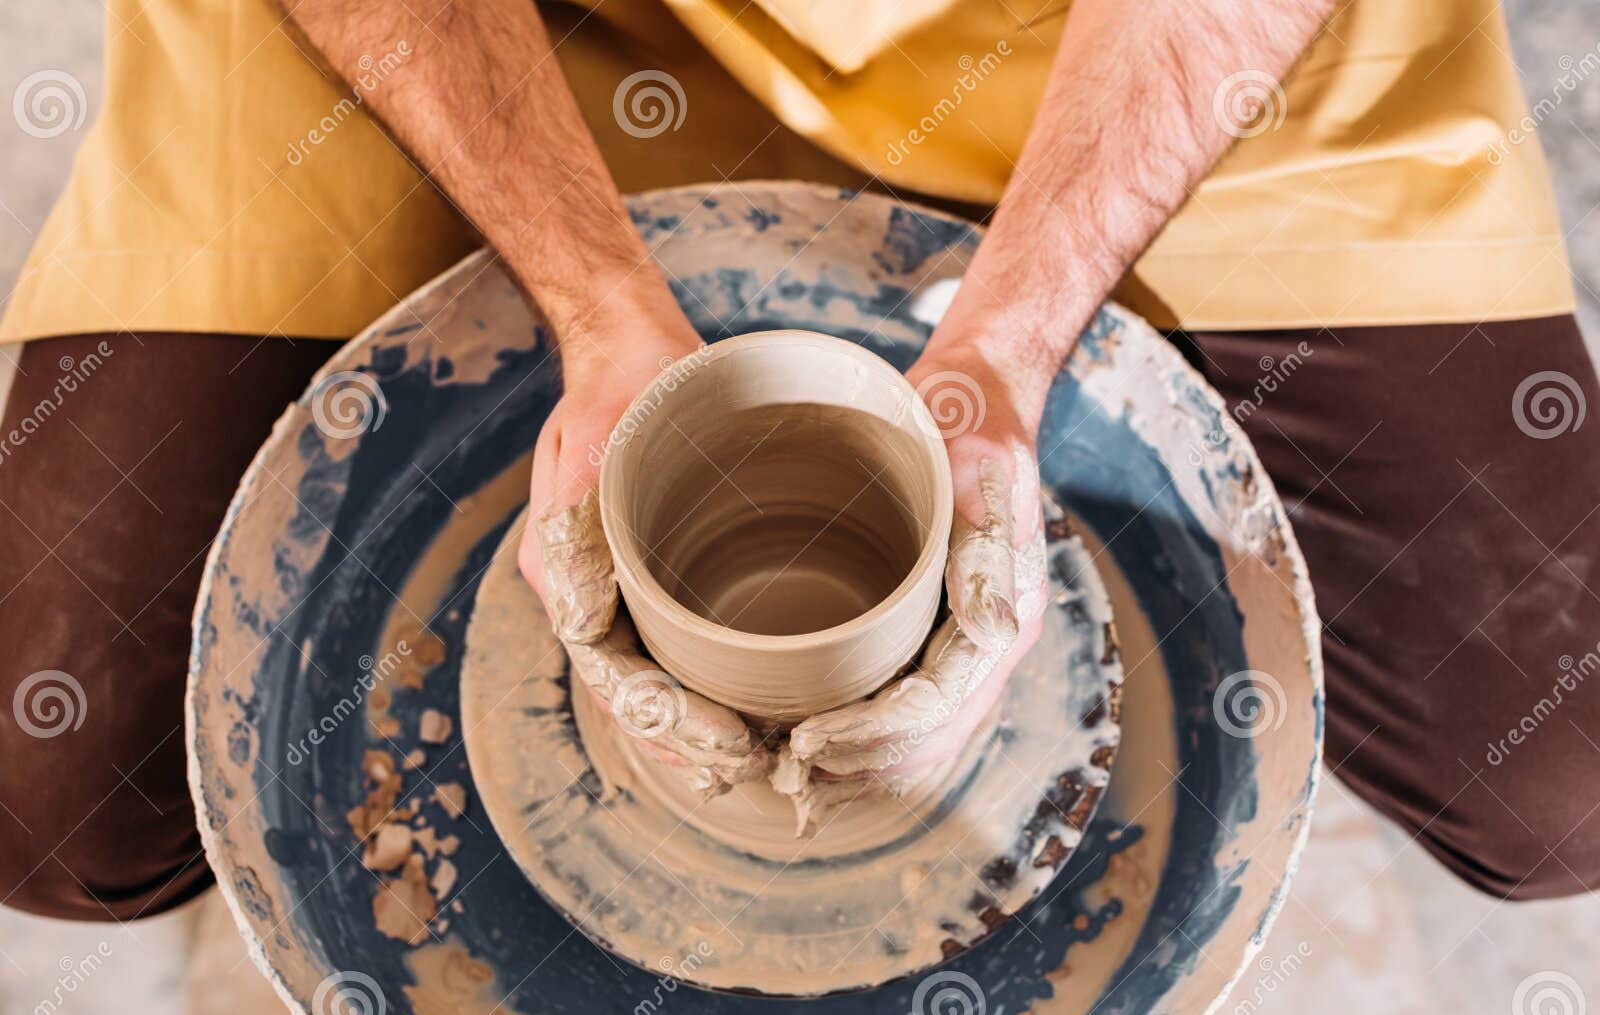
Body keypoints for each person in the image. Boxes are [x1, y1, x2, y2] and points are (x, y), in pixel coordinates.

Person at [2, 0, 1596, 923]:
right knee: (47, 784)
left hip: (1097, 36)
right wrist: (591, 295)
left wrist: (1004, 353)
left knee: (1561, 781)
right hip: (503, 30)